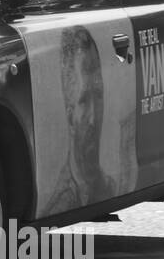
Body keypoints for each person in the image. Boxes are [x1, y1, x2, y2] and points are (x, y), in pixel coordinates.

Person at [43, 26, 116, 215]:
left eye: (98, 95)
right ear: (69, 116)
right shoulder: (62, 202)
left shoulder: (109, 185)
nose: (94, 118)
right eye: (84, 101)